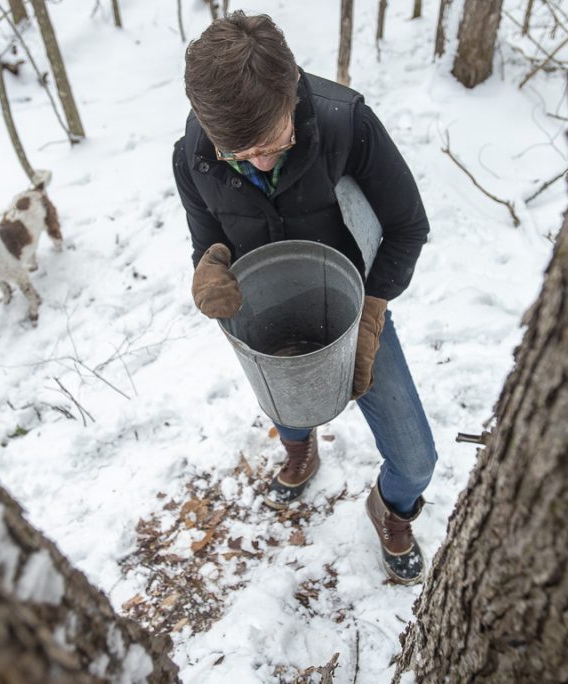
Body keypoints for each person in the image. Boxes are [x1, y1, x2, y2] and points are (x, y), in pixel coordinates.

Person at [172, 12, 437, 585]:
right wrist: (208, 268)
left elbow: (408, 227)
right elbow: (207, 241)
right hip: (267, 316)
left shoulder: (347, 124)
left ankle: (392, 509)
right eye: (240, 155)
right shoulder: (195, 154)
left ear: (292, 91)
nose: (261, 163)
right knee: (285, 398)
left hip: (357, 307)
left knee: (416, 459)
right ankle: (299, 444)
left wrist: (371, 313)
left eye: (274, 143)